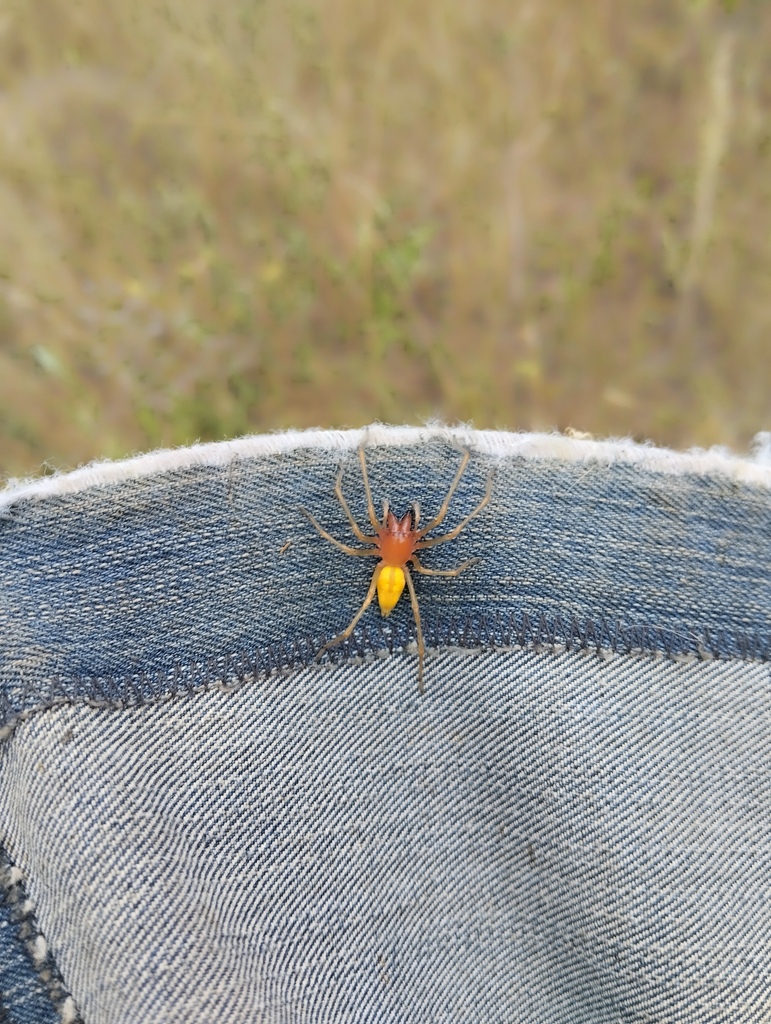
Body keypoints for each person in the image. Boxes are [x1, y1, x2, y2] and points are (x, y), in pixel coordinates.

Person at [1, 425, 770, 1023]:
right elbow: (387, 523)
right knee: (380, 593)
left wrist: (374, 475)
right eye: (393, 524)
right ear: (393, 542)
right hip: (387, 582)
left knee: (393, 598)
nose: (397, 523)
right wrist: (387, 478)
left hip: (391, 582)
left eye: (396, 525)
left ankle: (399, 650)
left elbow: (392, 523)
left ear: (394, 542)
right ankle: (383, 644)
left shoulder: (392, 551)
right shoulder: (392, 552)